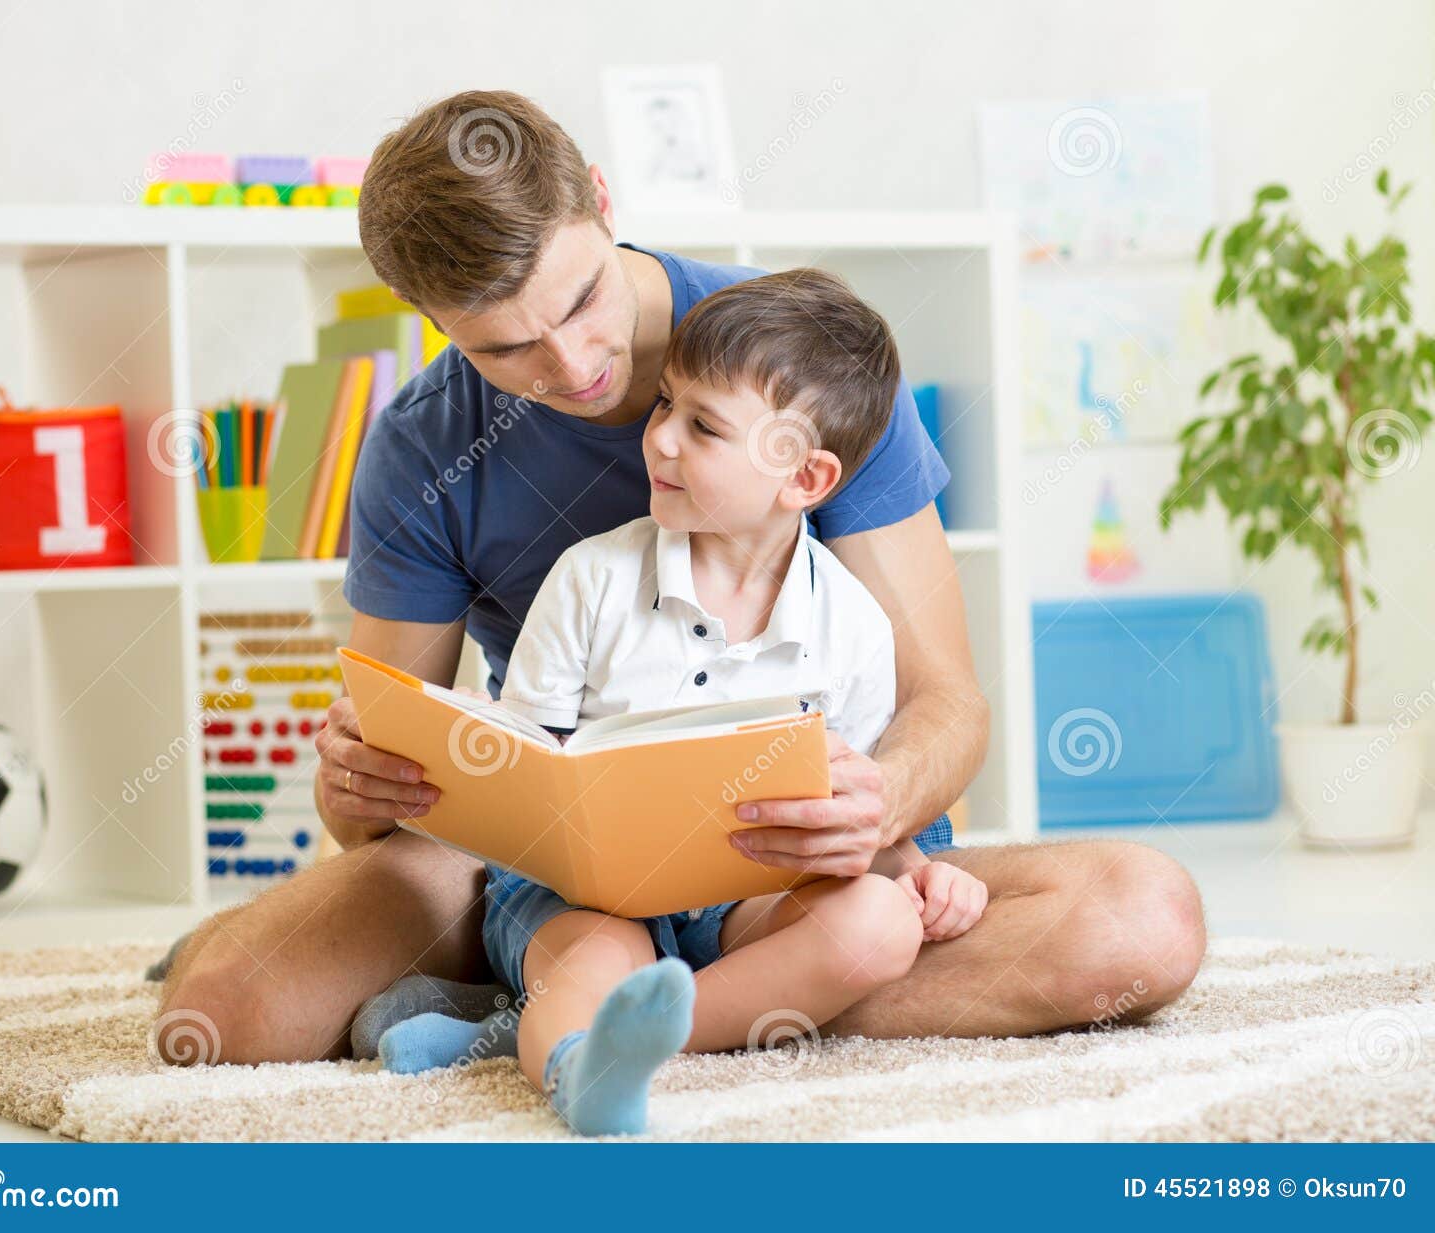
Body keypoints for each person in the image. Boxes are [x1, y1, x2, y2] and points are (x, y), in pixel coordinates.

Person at [154, 90, 1206, 1067]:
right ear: (422, 311)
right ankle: (637, 995)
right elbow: (385, 810)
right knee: (227, 1013)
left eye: (580, 300)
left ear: (603, 202)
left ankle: (573, 1018)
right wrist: (356, 786)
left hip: (803, 867)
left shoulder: (801, 365)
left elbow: (949, 703)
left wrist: (875, 806)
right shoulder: (426, 447)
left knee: (1138, 920)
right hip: (567, 862)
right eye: (506, 347)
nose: (570, 367)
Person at [369, 270, 989, 1136]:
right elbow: (523, 755)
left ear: (805, 476)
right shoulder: (590, 578)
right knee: (597, 956)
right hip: (586, 898)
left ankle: (557, 1032)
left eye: (703, 426)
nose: (658, 441)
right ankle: (577, 1069)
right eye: (665, 405)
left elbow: (858, 804)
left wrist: (921, 875)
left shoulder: (852, 622)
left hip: (751, 905)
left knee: (880, 929)